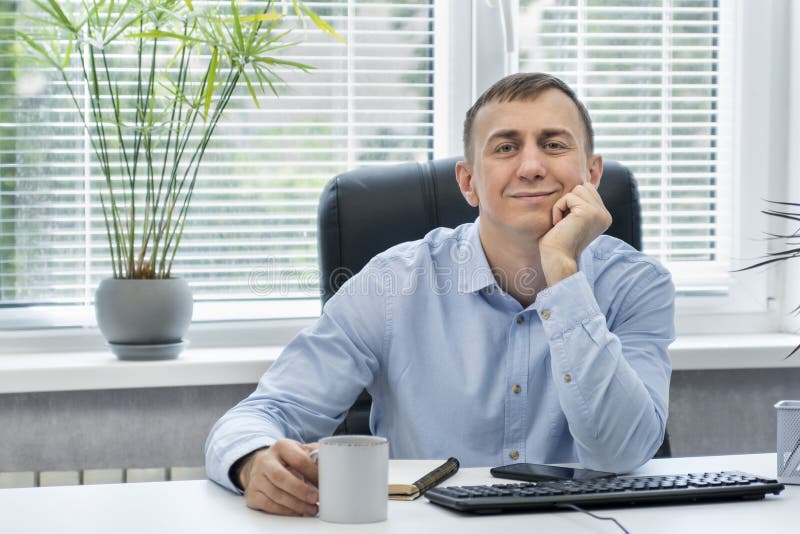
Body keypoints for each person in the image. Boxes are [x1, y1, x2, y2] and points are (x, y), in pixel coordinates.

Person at [204, 72, 675, 516]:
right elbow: (267, 412)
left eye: (553, 144)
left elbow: (622, 452)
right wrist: (252, 461)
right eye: (506, 147)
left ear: (592, 173)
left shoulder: (637, 285)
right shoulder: (393, 284)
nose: (531, 166)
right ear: (468, 182)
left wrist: (564, 276)